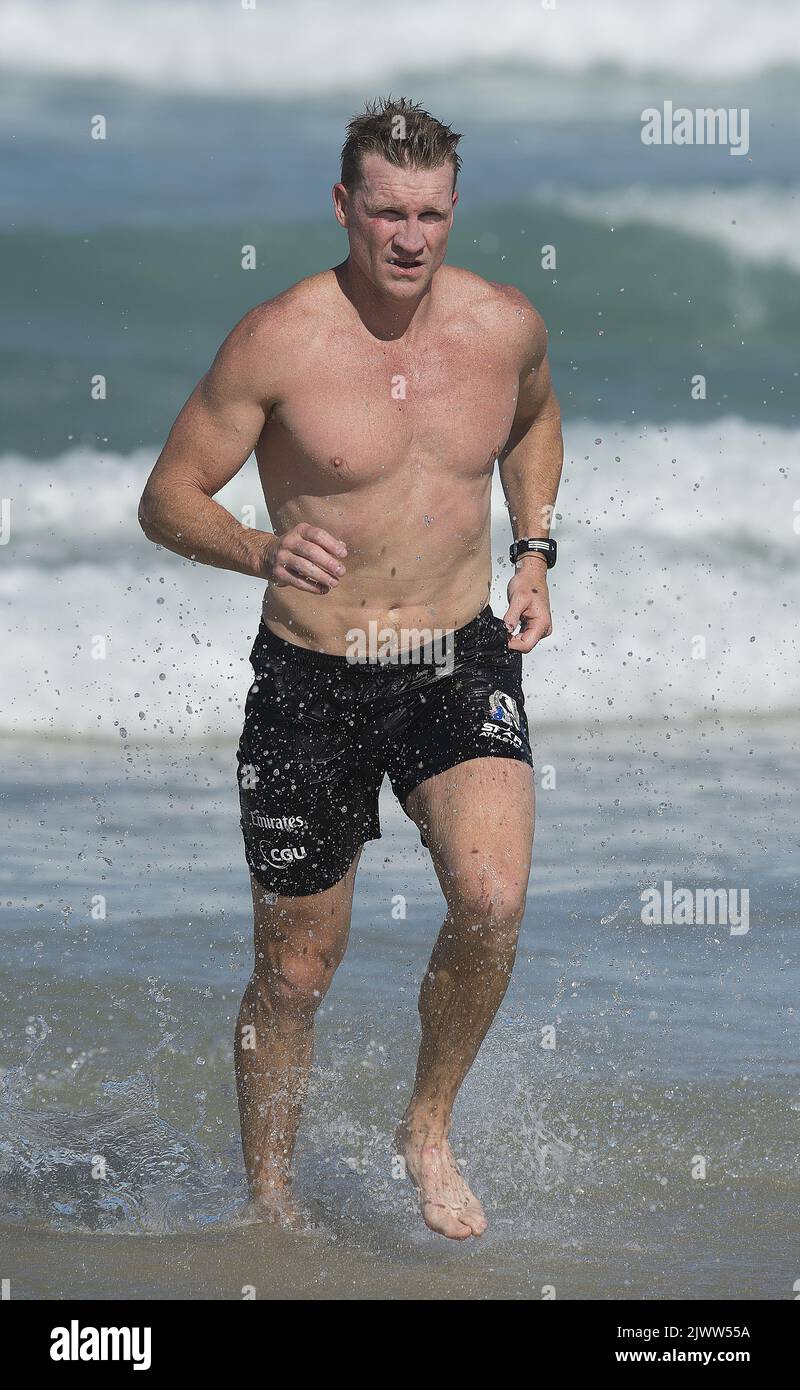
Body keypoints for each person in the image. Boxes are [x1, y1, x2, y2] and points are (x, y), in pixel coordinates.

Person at [138, 97, 563, 1240]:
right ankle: (268, 1202)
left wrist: (531, 552)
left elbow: (528, 423)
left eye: (429, 213)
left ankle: (425, 1126)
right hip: (310, 683)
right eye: (386, 212)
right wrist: (260, 547)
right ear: (344, 207)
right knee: (295, 971)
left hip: (452, 655)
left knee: (491, 898)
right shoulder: (280, 337)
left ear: (452, 210)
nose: (409, 238)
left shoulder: (501, 325)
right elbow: (165, 498)